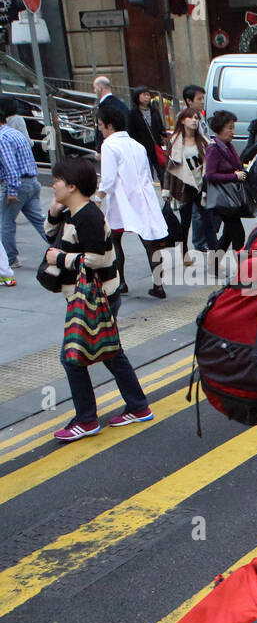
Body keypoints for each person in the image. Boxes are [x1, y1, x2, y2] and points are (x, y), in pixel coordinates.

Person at [44, 157, 152, 442]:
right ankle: (138, 406)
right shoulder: (72, 211)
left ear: (72, 186)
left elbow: (97, 258)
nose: (52, 185)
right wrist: (54, 212)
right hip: (91, 296)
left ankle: (86, 419)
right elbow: (49, 236)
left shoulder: (88, 216)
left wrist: (62, 259)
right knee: (109, 352)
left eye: (56, 181)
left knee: (73, 358)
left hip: (97, 297)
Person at [95, 103, 169, 299]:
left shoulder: (109, 145)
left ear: (109, 125)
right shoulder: (137, 145)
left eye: (101, 126)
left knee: (114, 240)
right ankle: (158, 285)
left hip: (121, 200)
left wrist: (98, 197)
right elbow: (146, 172)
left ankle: (121, 282)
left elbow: (109, 178)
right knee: (149, 241)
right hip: (143, 196)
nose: (100, 130)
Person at [0, 107, 47, 269]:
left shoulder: (2, 138)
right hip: (32, 182)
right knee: (40, 222)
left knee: (5, 223)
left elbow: (10, 167)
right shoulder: (15, 133)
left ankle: (11, 258)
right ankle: (62, 246)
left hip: (17, 185)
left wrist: (12, 191)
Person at [161, 107, 207, 263]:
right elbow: (169, 168)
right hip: (184, 187)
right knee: (185, 222)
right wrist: (166, 190)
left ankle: (214, 258)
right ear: (182, 120)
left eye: (197, 118)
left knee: (207, 219)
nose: (194, 121)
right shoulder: (174, 141)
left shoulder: (203, 140)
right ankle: (184, 252)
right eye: (191, 118)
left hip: (201, 185)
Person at [204, 111, 249, 255]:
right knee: (238, 235)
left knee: (229, 234)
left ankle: (214, 265)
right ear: (219, 128)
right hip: (223, 199)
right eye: (229, 128)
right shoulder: (214, 149)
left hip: (230, 198)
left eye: (233, 128)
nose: (232, 132)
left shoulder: (227, 146)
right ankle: (242, 270)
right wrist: (233, 176)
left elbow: (237, 165)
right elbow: (210, 175)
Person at [181, 85, 219, 251]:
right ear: (189, 101)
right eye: (199, 99)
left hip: (203, 168)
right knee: (193, 213)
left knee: (205, 210)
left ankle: (205, 242)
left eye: (203, 98)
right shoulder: (184, 119)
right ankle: (196, 243)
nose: (202, 102)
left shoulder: (200, 117)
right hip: (190, 173)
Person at [127, 87, 166, 183]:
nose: (147, 97)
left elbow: (161, 127)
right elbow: (130, 131)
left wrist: (164, 136)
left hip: (156, 146)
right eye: (144, 95)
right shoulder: (133, 113)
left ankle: (166, 195)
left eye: (148, 95)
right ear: (137, 97)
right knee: (147, 174)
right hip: (142, 148)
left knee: (162, 172)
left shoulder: (154, 111)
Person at [91, 77, 129, 157]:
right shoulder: (121, 104)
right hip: (125, 143)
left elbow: (103, 128)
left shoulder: (105, 106)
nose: (94, 91)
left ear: (100, 88)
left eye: (95, 88)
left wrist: (99, 150)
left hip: (111, 146)